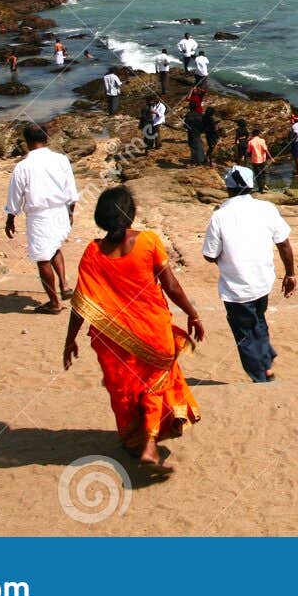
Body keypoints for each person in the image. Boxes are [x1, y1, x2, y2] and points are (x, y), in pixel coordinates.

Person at [64, 187, 203, 468]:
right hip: (151, 330)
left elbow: (81, 302)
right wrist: (193, 314)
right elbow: (171, 286)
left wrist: (70, 340)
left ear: (101, 217)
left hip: (111, 339)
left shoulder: (92, 252)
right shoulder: (148, 241)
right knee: (156, 383)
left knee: (124, 390)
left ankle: (133, 440)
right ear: (130, 214)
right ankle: (150, 440)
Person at [201, 166, 297, 383]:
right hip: (263, 282)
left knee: (245, 333)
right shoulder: (267, 208)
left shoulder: (220, 216)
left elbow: (209, 254)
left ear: (228, 188)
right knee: (258, 321)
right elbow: (284, 244)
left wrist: (226, 256)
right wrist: (290, 274)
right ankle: (266, 360)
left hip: (237, 288)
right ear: (251, 186)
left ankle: (261, 376)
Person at [3, 124, 80, 313]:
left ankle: (54, 303)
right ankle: (64, 284)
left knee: (43, 258)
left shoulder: (23, 166)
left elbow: (15, 196)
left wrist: (10, 217)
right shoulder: (61, 160)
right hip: (60, 211)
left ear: (27, 142)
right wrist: (70, 213)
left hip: (39, 216)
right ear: (46, 138)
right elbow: (71, 190)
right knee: (54, 247)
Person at [245, 125, 270, 191]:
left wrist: (248, 158)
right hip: (263, 159)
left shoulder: (250, 142)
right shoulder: (262, 140)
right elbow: (266, 150)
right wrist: (271, 157)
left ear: (252, 135)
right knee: (264, 172)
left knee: (258, 174)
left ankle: (260, 188)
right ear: (259, 134)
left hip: (255, 160)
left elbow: (248, 152)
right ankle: (264, 184)